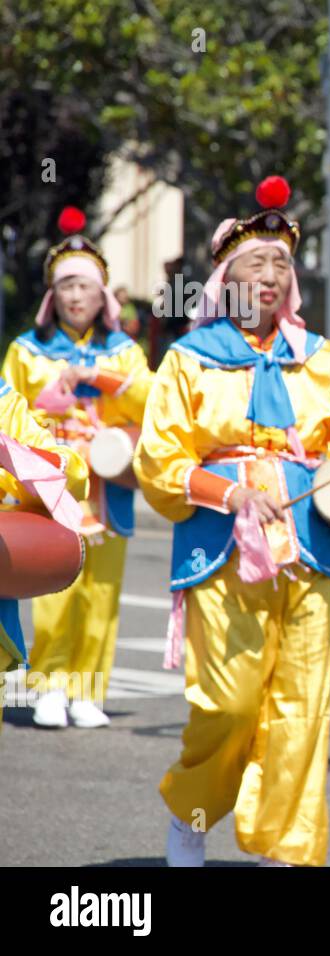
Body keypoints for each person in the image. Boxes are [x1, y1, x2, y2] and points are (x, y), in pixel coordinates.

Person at [134, 176, 330, 867]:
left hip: (311, 543)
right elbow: (159, 462)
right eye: (258, 261)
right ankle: (193, 812)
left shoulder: (324, 359)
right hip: (223, 547)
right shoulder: (188, 360)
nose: (273, 274)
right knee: (229, 701)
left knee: (304, 705)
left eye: (283, 262)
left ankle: (287, 847)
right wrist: (233, 494)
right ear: (224, 278)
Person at [2, 206, 152, 729]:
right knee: (52, 588)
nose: (75, 296)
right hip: (50, 483)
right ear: (52, 295)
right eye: (65, 286)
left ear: (102, 295)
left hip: (107, 486)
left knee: (101, 593)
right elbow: (10, 417)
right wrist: (52, 397)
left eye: (84, 287)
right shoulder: (26, 351)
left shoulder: (125, 352)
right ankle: (47, 684)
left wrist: (104, 380)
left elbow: (155, 407)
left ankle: (89, 688)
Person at [0, 378, 89, 730]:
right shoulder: (26, 351)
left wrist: (14, 456)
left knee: (98, 605)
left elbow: (72, 471)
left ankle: (78, 691)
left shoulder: (2, 400)